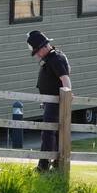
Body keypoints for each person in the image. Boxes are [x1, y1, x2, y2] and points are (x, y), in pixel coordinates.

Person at [26, 30, 71, 173]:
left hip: (56, 102)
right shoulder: (51, 58)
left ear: (44, 47)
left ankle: (43, 166)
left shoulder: (55, 59)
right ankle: (56, 163)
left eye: (38, 51)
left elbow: (65, 79)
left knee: (48, 132)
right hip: (50, 101)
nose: (38, 54)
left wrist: (67, 99)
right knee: (54, 133)